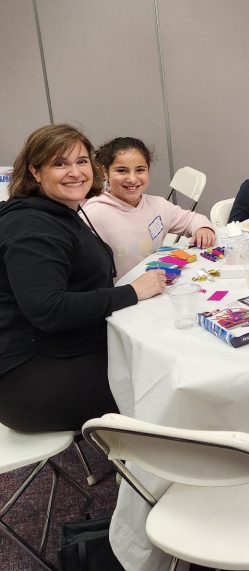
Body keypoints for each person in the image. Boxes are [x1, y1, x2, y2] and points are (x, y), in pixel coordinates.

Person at [0, 124, 166, 432]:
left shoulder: (60, 212)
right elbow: (49, 309)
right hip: (28, 382)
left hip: (61, 347)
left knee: (157, 350)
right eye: (59, 163)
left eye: (81, 161)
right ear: (36, 172)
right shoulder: (31, 227)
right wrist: (131, 292)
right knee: (162, 382)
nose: (75, 172)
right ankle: (157, 474)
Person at [83, 137, 215, 280]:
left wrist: (203, 228)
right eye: (122, 171)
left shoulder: (157, 205)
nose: (132, 179)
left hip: (155, 287)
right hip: (119, 295)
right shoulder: (92, 215)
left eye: (140, 170)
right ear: (105, 172)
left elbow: (191, 219)